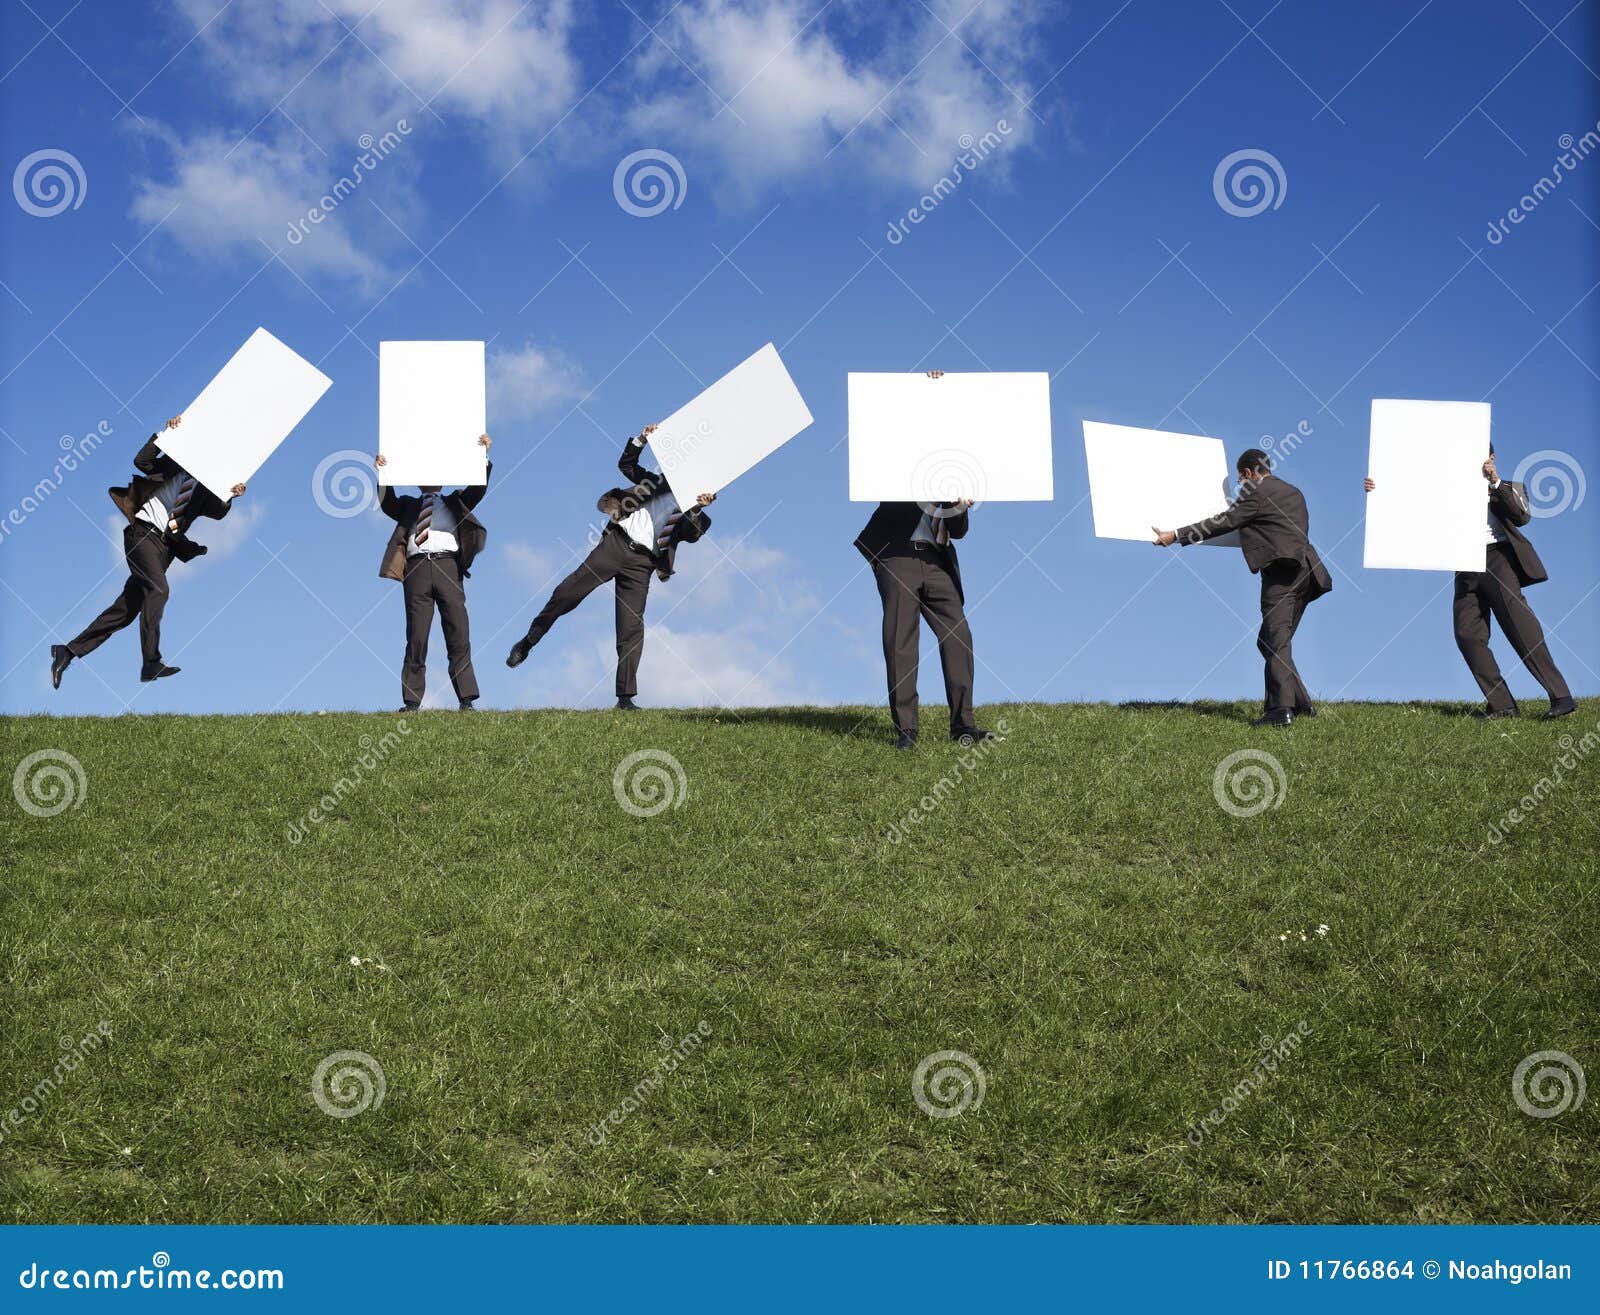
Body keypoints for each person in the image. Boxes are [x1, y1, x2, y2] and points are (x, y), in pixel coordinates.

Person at [506, 424, 715, 710]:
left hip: (642, 565)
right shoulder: (653, 483)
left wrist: (696, 508)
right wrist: (642, 439)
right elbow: (626, 464)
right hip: (615, 545)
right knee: (568, 592)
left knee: (631, 627)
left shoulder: (697, 515)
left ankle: (625, 699)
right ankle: (530, 640)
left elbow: (692, 534)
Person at [1365, 444, 1575, 720]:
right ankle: (1502, 705)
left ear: (1491, 457)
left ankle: (1561, 697)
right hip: (1464, 563)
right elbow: (1412, 504)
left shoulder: (1509, 486)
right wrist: (1380, 490)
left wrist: (1494, 482)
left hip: (1497, 558)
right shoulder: (1446, 491)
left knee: (1520, 628)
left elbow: (1521, 516)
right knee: (1467, 634)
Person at [51, 415, 245, 688]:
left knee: (125, 611)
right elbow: (142, 461)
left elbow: (218, 512)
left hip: (163, 550)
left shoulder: (205, 490)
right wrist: (165, 434)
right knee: (159, 591)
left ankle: (68, 650)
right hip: (141, 536)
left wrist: (230, 495)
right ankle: (151, 662)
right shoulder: (174, 464)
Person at [854, 372, 993, 750]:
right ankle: (906, 731)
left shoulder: (958, 473)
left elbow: (959, 531)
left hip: (936, 560)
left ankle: (963, 726)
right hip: (896, 554)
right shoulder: (902, 455)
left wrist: (961, 505)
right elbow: (901, 421)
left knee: (959, 634)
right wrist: (930, 391)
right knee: (901, 640)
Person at [1154, 447, 1331, 727]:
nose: (1240, 487)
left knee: (1275, 641)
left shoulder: (1257, 493)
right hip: (1307, 574)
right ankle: (1301, 704)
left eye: (1240, 481)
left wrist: (1175, 535)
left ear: (1248, 473)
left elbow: (1224, 521)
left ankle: (1279, 711)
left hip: (1281, 577)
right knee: (1270, 642)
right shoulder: (1294, 492)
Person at [376, 434, 492, 712]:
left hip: (447, 567)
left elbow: (478, 489)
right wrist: (382, 474)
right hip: (416, 570)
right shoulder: (408, 505)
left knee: (458, 630)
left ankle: (466, 700)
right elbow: (386, 503)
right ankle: (412, 702)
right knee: (417, 635)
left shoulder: (456, 501)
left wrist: (482, 457)